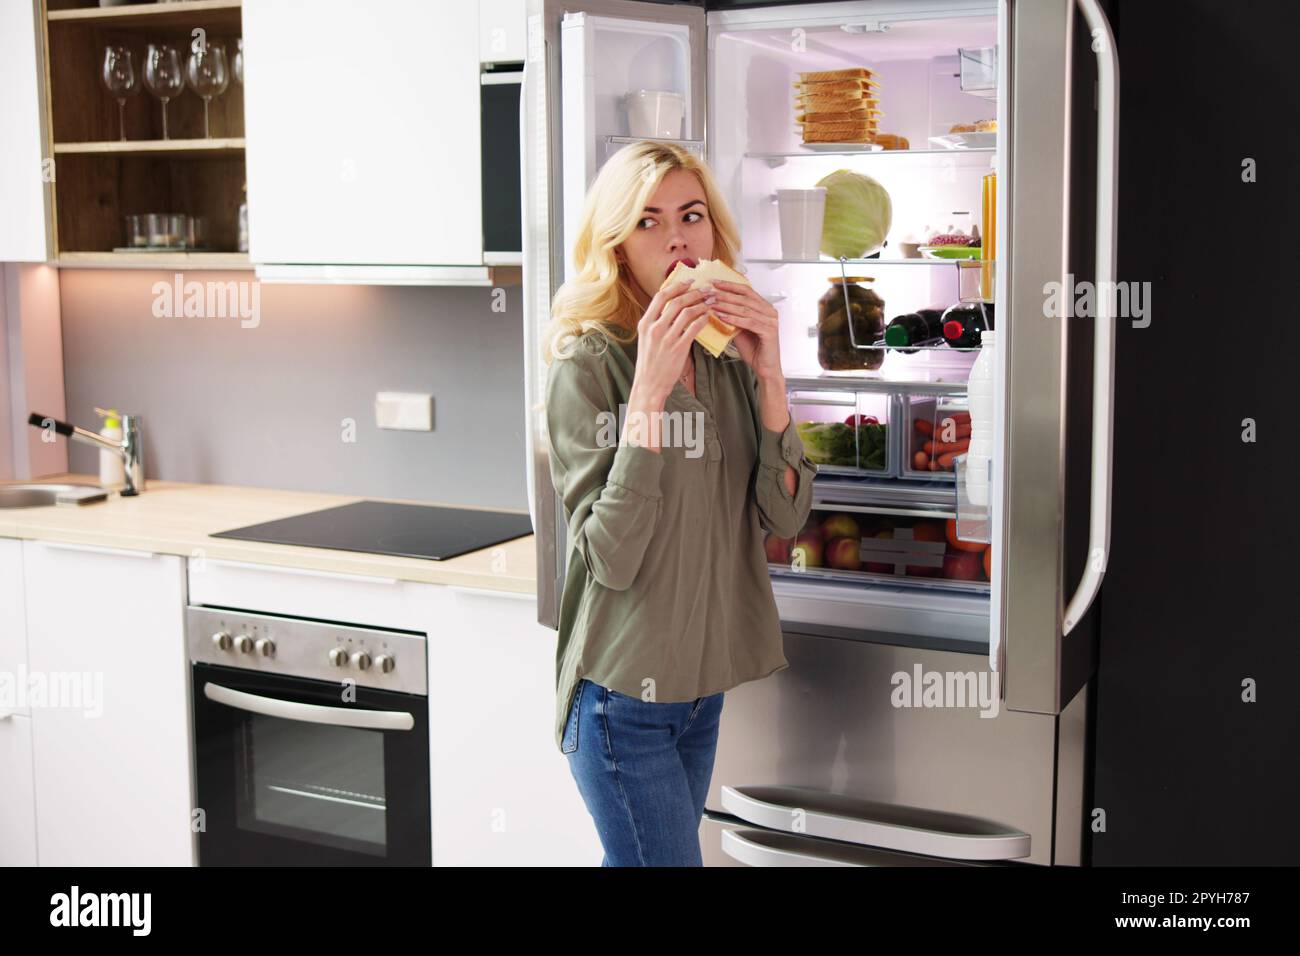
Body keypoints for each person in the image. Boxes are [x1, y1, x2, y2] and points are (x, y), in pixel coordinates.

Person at [540, 139, 818, 866]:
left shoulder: (725, 355)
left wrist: (771, 376)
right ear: (617, 246)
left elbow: (785, 520)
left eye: (691, 216)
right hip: (619, 698)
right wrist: (650, 395)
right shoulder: (587, 364)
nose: (676, 239)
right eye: (648, 221)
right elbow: (610, 554)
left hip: (700, 692)